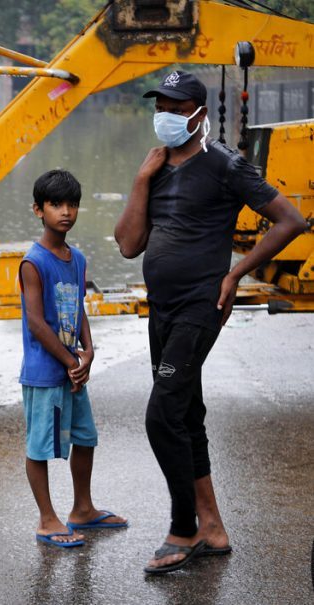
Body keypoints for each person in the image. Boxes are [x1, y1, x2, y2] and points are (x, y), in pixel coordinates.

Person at [114, 70, 307, 574]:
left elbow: (291, 220)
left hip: (202, 305)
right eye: (161, 106)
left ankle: (184, 530)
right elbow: (129, 244)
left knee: (161, 415)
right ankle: (214, 528)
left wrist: (237, 273)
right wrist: (140, 179)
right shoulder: (153, 168)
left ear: (198, 113)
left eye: (176, 108)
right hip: (163, 307)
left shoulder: (224, 163)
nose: (166, 116)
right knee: (184, 414)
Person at [19, 169, 128, 548]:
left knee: (84, 438)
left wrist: (89, 349)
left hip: (72, 368)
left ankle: (83, 508)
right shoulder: (34, 262)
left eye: (72, 204)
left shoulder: (76, 258)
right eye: (55, 205)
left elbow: (77, 307)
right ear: (38, 210)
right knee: (40, 445)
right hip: (46, 372)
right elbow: (36, 321)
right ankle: (47, 519)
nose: (65, 212)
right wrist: (69, 360)